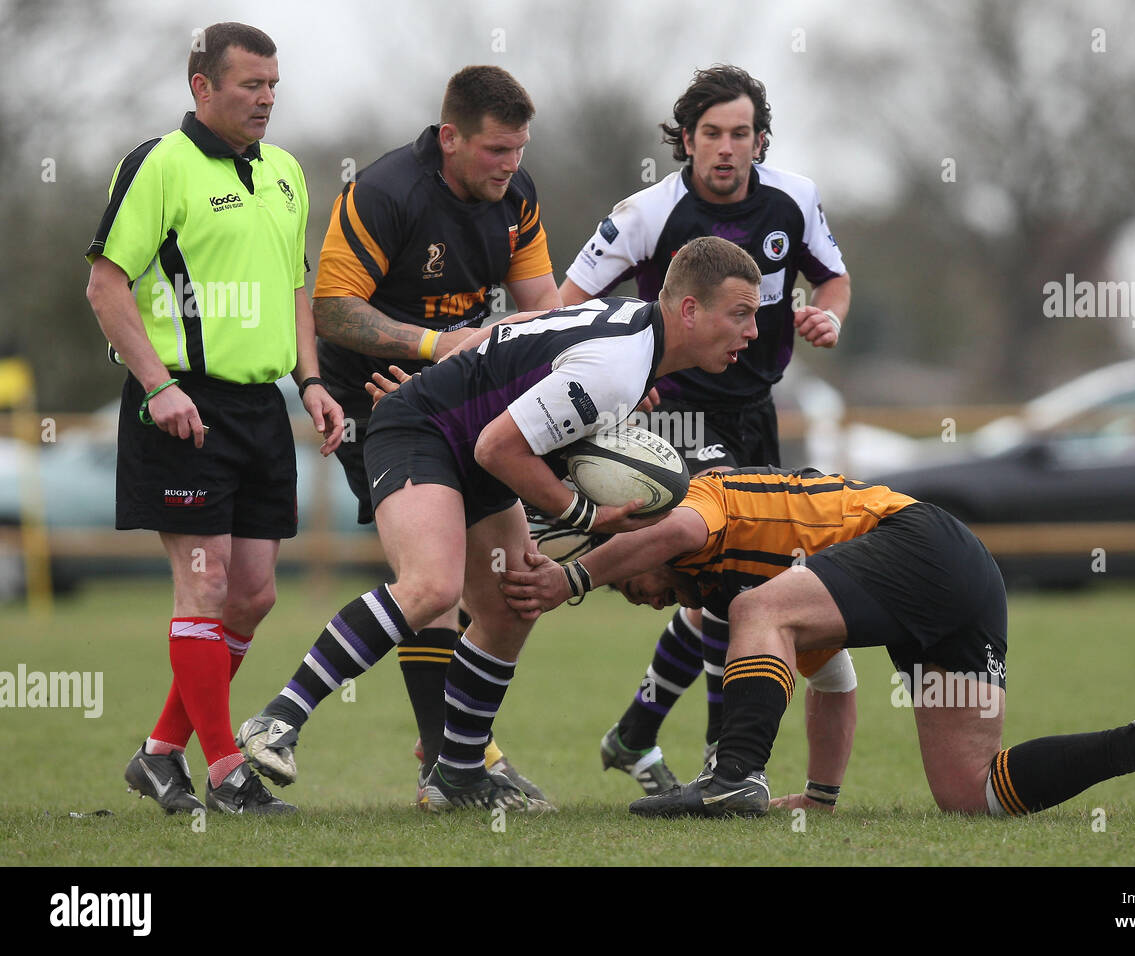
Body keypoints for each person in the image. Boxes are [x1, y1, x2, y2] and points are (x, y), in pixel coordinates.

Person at [236, 236, 761, 811]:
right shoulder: (618, 367)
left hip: (470, 447)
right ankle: (278, 719)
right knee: (431, 586)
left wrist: (459, 374)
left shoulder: (636, 335)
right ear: (689, 310)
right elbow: (497, 448)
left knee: (513, 603)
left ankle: (457, 775)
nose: (752, 332)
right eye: (740, 315)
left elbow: (522, 325)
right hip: (425, 433)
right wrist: (584, 514)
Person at [500, 468, 1135, 821]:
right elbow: (835, 683)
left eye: (635, 582)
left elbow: (680, 537)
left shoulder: (703, 499)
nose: (645, 597)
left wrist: (576, 577)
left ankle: (731, 778)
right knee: (970, 793)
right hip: (959, 581)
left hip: (921, 543)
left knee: (756, 605)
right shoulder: (762, 612)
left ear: (635, 533)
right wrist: (819, 797)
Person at [559, 65, 852, 794]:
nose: (726, 148)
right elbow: (566, 306)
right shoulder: (645, 214)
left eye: (741, 134)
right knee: (738, 587)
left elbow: (833, 279)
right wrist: (624, 380)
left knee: (728, 588)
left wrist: (828, 314)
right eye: (712, 134)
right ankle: (728, 763)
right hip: (677, 417)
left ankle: (637, 734)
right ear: (686, 140)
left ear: (759, 140)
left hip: (757, 413)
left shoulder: (796, 200)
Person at [84, 22, 345, 815]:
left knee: (254, 594)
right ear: (202, 87)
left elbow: (295, 290)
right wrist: (159, 385)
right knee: (204, 588)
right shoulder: (159, 163)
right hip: (182, 406)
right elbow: (105, 285)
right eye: (249, 85)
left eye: (273, 85)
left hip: (260, 408)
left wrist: (310, 381)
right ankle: (227, 770)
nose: (266, 99)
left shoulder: (287, 172)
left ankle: (160, 754)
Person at [303, 65, 561, 801]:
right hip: (383, 406)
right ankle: (451, 766)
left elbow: (540, 307)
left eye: (518, 150)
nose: (510, 166)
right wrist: (434, 348)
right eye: (495, 151)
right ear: (450, 138)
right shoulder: (384, 194)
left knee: (513, 591)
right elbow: (333, 311)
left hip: (471, 406)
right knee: (434, 586)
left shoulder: (517, 196)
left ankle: (449, 748)